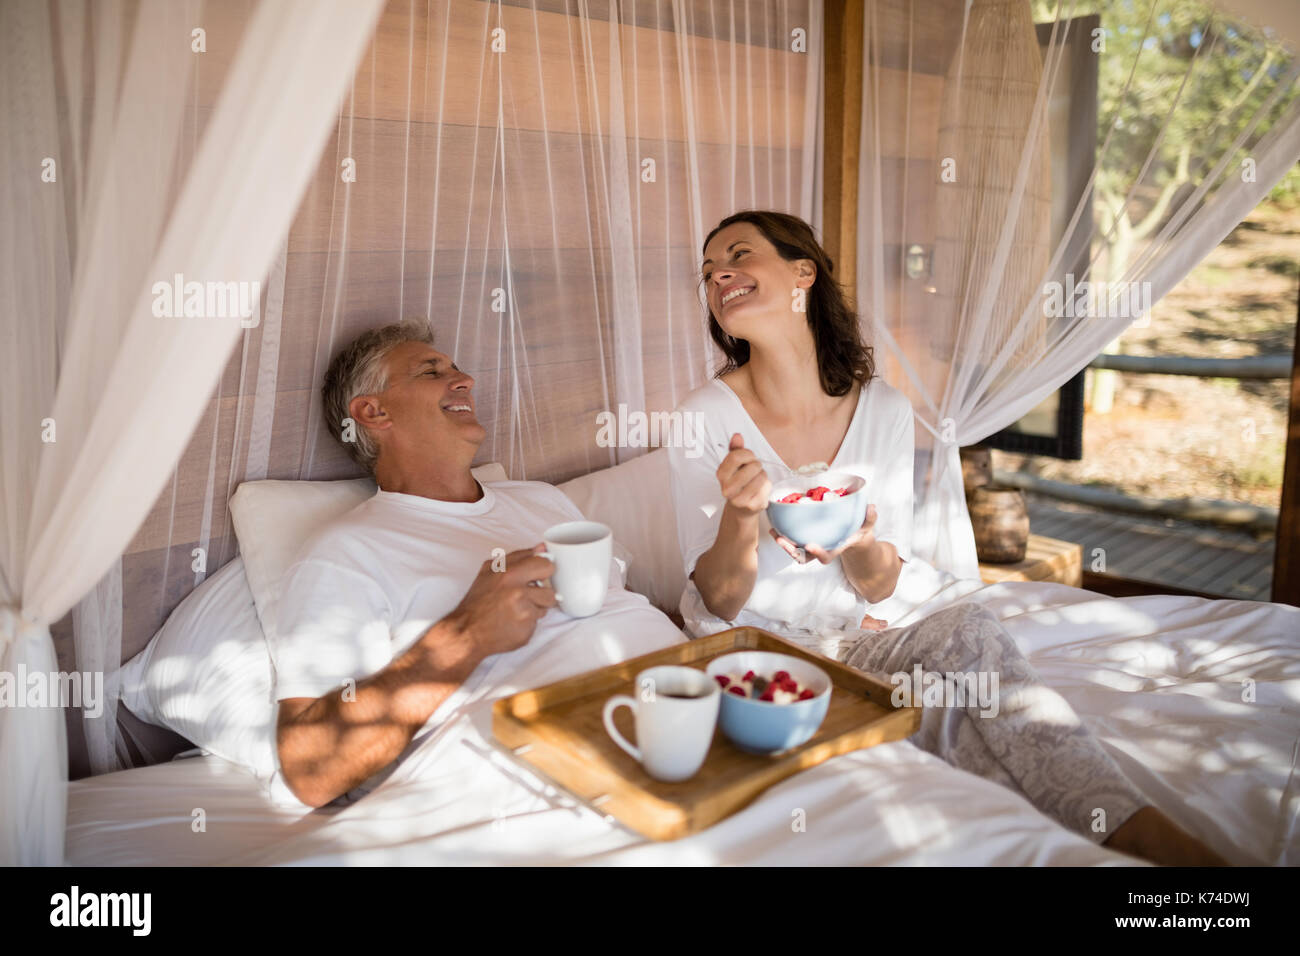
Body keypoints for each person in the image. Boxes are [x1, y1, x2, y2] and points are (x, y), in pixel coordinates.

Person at [667, 209, 1227, 866]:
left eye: (737, 255)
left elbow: (879, 584)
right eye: (709, 272)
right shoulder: (703, 418)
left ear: (802, 274)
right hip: (765, 649)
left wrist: (860, 542)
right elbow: (721, 600)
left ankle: (1143, 836)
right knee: (942, 723)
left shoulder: (883, 410)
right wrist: (741, 515)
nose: (719, 275)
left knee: (970, 630)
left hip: (861, 641)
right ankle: (1092, 853)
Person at [271, 322, 683, 809]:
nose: (465, 380)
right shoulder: (345, 553)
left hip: (693, 708)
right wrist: (466, 635)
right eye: (432, 372)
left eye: (459, 369)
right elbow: (310, 772)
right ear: (373, 411)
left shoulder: (542, 501)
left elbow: (625, 607)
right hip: (577, 767)